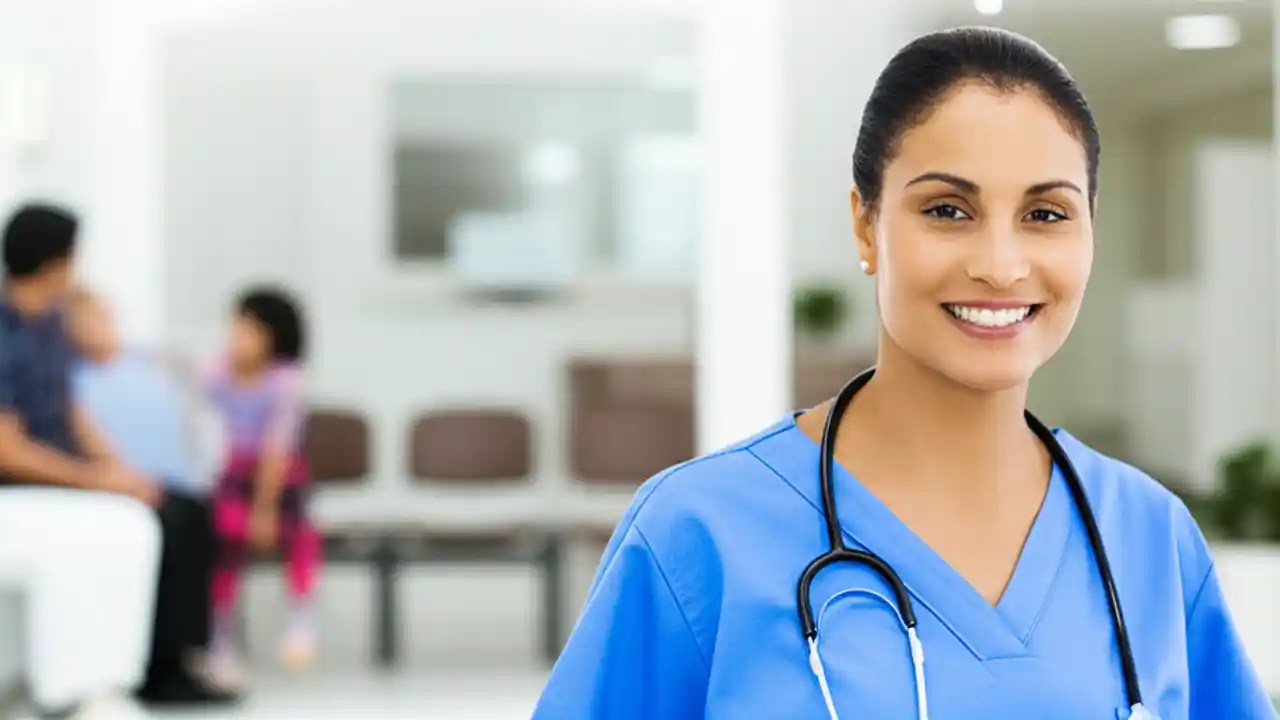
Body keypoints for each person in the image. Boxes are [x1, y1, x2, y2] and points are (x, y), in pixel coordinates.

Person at [533, 27, 1275, 719]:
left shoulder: (1147, 535)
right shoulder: (698, 533)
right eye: (949, 210)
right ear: (866, 225)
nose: (1000, 264)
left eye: (1046, 214)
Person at [0, 203, 160, 720]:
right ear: (57, 262)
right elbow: (8, 449)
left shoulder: (48, 325)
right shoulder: (5, 335)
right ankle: (74, 687)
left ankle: (126, 675)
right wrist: (97, 481)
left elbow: (78, 399)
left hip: (60, 479)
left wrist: (118, 471)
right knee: (120, 525)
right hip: (20, 487)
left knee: (159, 514)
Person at [66, 288, 236, 707]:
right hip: (104, 487)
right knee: (166, 526)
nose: (107, 325)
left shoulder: (144, 368)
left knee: (195, 518)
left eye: (109, 315)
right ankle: (149, 665)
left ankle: (180, 660)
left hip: (158, 485)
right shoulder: (66, 379)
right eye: (96, 316)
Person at [203, 287, 321, 690]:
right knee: (221, 541)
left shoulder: (286, 383)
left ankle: (302, 616)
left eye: (249, 331)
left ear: (273, 336)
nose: (237, 339)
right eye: (234, 328)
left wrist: (265, 510)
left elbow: (277, 450)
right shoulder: (218, 375)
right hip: (232, 478)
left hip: (278, 479)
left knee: (301, 535)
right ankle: (219, 636)